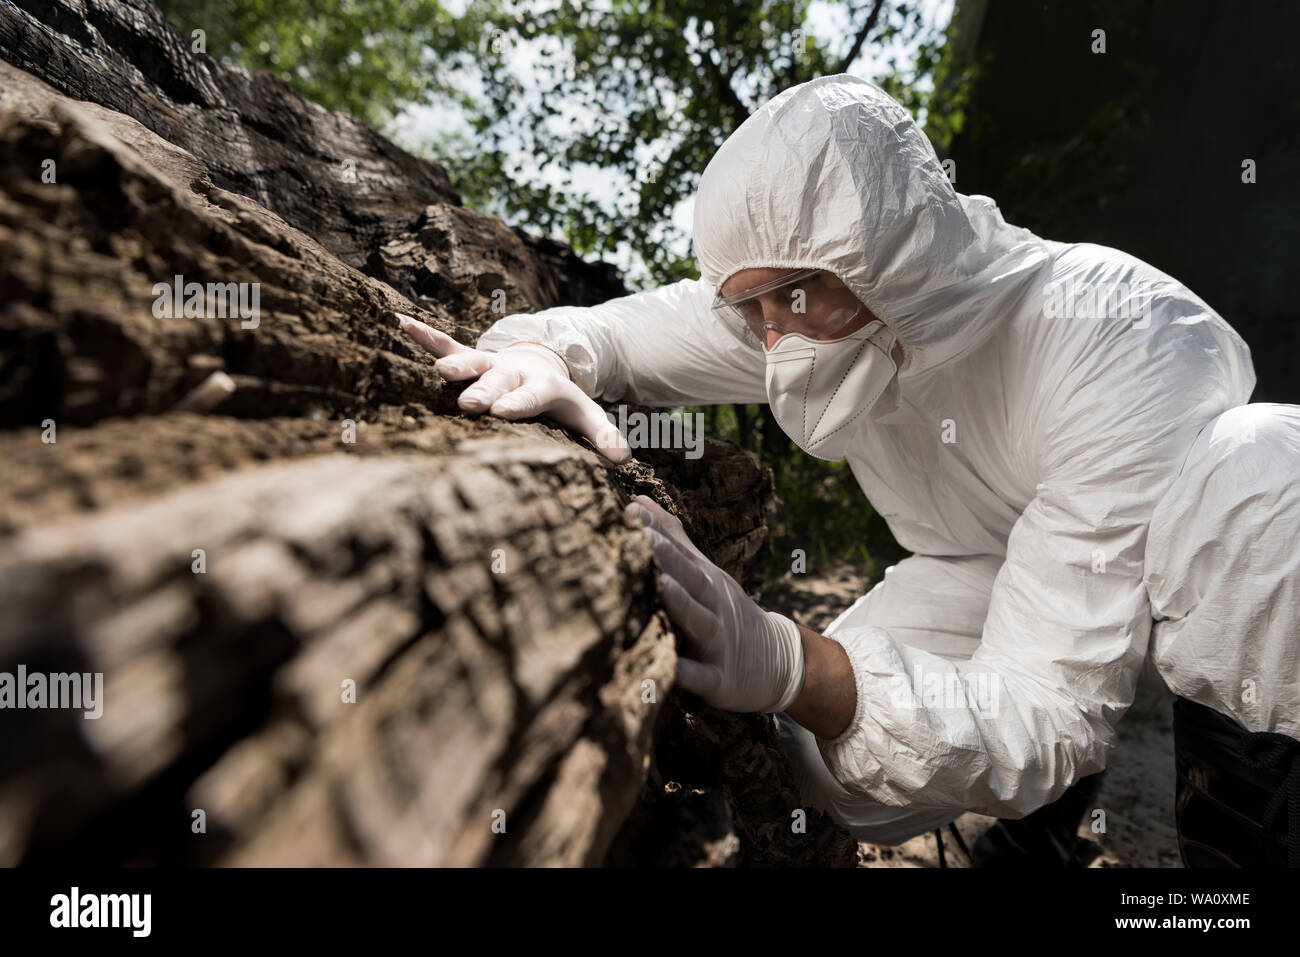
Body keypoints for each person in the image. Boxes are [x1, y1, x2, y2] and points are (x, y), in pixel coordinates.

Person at [400, 74, 1300, 866]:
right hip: (982, 570)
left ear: (894, 250)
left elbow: (1048, 707)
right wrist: (537, 350)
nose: (768, 336)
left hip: (1177, 555)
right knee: (826, 754)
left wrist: (792, 655)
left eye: (790, 294)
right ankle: (1042, 834)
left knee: (1261, 469)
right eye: (745, 305)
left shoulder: (1114, 334)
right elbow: (616, 334)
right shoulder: (788, 301)